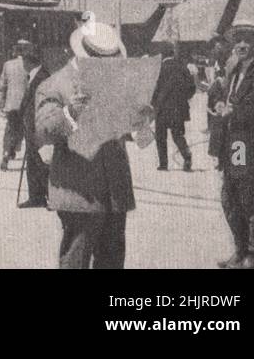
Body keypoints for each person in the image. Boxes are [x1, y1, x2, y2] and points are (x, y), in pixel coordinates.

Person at [34, 21, 149, 269]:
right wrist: (71, 112)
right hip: (79, 192)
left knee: (112, 261)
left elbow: (141, 138)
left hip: (115, 192)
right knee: (76, 259)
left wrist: (142, 121)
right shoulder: (55, 85)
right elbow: (44, 132)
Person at [212, 21, 254, 269]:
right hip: (232, 142)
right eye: (237, 40)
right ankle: (241, 249)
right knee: (230, 197)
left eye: (247, 40)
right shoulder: (236, 68)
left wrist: (233, 111)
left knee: (248, 196)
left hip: (248, 143)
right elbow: (224, 96)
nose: (241, 45)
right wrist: (220, 102)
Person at [15, 43, 51, 209]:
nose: (22, 64)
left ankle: (51, 196)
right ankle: (36, 196)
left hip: (38, 125)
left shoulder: (42, 76)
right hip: (31, 126)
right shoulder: (34, 76)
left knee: (42, 161)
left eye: (23, 60)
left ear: (29, 62)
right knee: (33, 160)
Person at [152, 42, 195, 172]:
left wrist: (153, 103)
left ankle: (163, 164)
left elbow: (153, 89)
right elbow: (192, 88)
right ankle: (186, 155)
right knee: (178, 135)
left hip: (162, 108)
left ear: (162, 55)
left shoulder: (158, 69)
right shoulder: (182, 67)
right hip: (179, 108)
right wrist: (182, 98)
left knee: (161, 137)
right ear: (173, 53)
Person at [0, 41, 31, 170]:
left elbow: (2, 87)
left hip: (11, 104)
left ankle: (6, 155)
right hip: (26, 105)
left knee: (10, 130)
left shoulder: (8, 65)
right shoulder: (30, 65)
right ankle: (30, 159)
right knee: (28, 130)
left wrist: (2, 105)